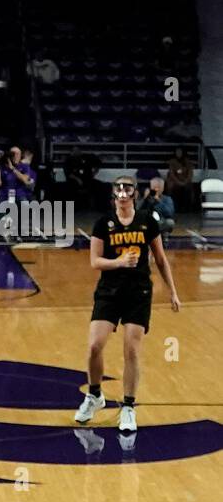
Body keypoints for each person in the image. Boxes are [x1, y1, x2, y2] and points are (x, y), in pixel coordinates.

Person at [74, 176, 182, 433]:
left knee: (131, 350)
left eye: (127, 188)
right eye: (118, 188)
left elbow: (161, 259)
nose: (123, 193)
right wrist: (119, 262)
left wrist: (173, 292)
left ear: (134, 193)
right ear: (114, 194)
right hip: (109, 291)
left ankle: (129, 407)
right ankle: (95, 395)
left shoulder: (146, 222)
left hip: (138, 292)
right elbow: (95, 261)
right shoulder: (103, 224)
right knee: (93, 346)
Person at [165, 147, 195, 213]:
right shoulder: (172, 162)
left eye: (180, 152)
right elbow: (172, 174)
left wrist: (185, 182)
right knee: (173, 189)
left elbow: (190, 174)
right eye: (177, 152)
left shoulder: (187, 161)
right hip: (176, 182)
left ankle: (187, 208)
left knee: (188, 188)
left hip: (185, 181)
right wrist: (179, 182)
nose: (178, 154)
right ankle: (175, 208)